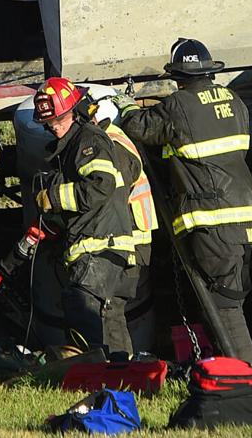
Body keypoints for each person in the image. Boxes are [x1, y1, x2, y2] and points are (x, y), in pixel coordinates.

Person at [118, 38, 252, 367]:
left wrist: (123, 104)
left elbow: (139, 127)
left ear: (178, 76)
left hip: (210, 223)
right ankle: (231, 373)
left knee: (222, 308)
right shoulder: (235, 102)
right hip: (243, 221)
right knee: (230, 299)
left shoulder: (179, 104)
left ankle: (245, 378)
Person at [33, 77, 135, 353]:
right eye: (48, 124)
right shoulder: (72, 145)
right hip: (104, 242)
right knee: (109, 320)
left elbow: (100, 185)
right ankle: (123, 378)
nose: (53, 128)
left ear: (73, 112)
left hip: (100, 242)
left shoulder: (88, 140)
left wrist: (53, 197)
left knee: (82, 308)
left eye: (58, 120)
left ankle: (92, 376)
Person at [90, 95, 158, 356]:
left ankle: (123, 369)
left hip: (130, 241)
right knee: (120, 307)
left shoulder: (113, 146)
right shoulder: (118, 140)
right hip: (134, 239)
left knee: (111, 306)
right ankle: (132, 364)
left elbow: (108, 194)